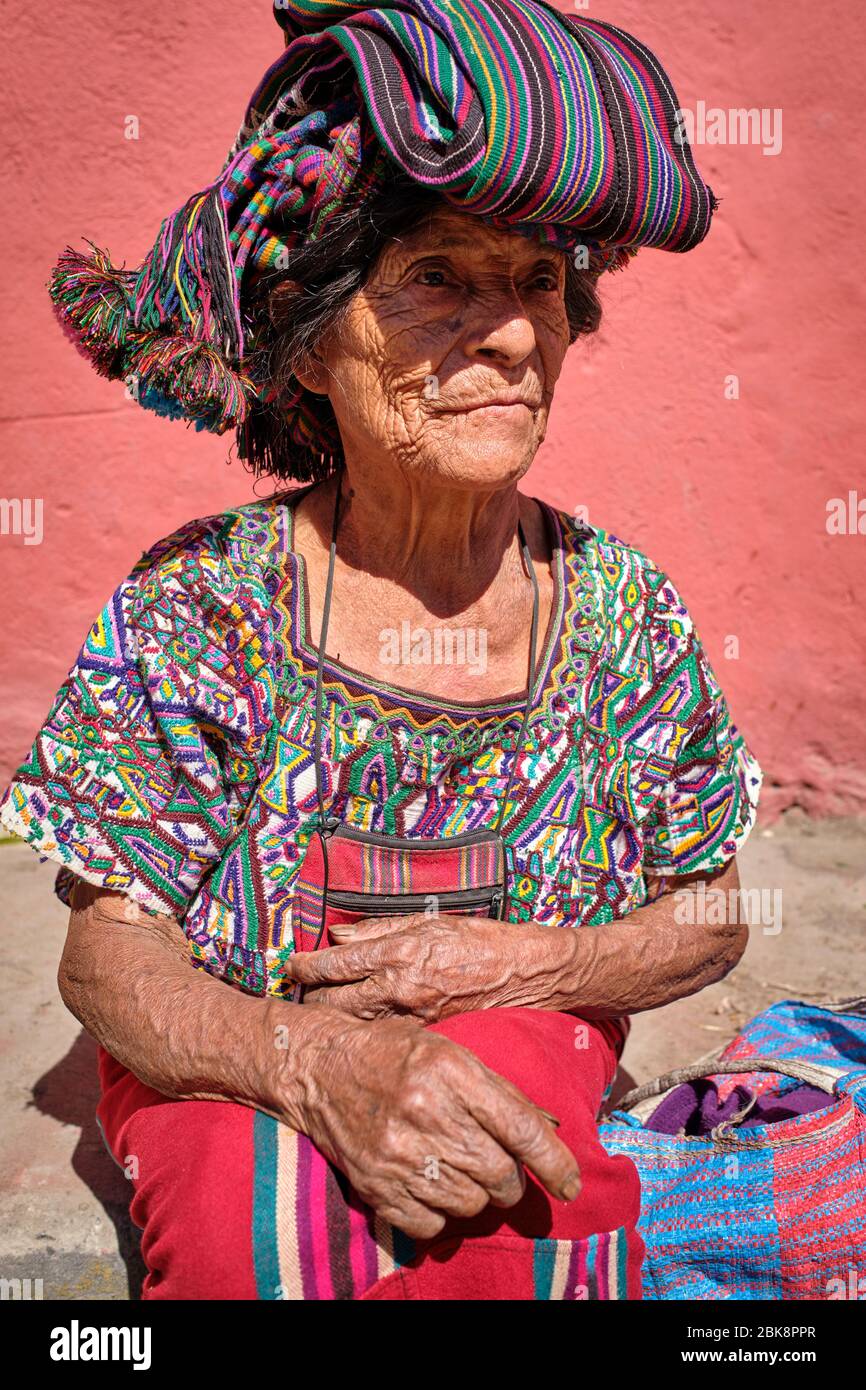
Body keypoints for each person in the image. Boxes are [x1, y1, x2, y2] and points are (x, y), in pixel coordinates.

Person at [0, 0, 761, 1299]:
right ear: (308, 352)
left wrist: (521, 962)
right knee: (251, 1242)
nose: (515, 334)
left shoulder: (619, 611)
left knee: (527, 1220)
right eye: (436, 280)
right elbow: (107, 957)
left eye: (535, 283)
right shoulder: (207, 603)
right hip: (235, 1049)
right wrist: (308, 1061)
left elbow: (716, 905)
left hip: (518, 1037)